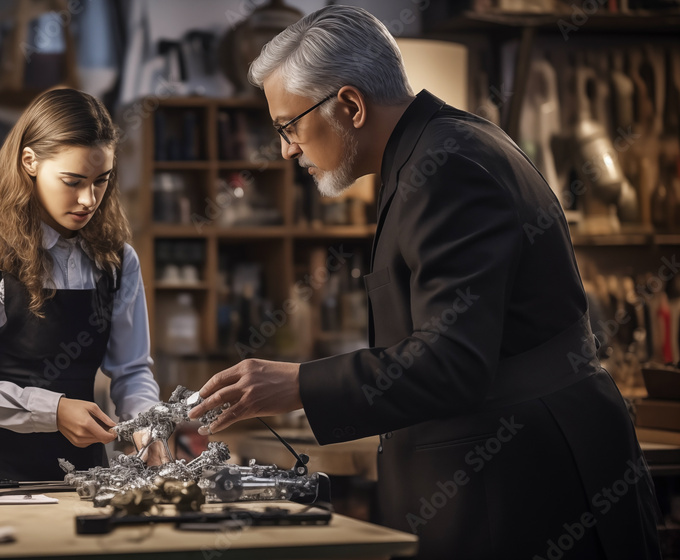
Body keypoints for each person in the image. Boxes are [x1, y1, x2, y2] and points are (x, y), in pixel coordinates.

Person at [188, 6, 661, 560]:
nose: (288, 148)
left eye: (289, 126)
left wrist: (299, 384)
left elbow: (452, 361)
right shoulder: (433, 154)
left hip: (522, 488)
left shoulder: (448, 169)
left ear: (350, 105)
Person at [0, 88, 164, 483]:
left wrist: (147, 425)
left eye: (101, 181)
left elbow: (132, 371)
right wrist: (50, 410)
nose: (89, 199)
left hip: (90, 482)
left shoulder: (119, 262)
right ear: (30, 162)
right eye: (72, 181)